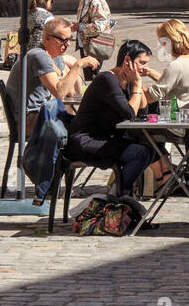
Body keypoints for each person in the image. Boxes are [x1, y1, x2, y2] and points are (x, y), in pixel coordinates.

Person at [67, 39, 170, 194]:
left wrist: (138, 85)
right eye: (142, 63)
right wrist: (137, 85)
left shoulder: (127, 82)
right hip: (86, 140)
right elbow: (129, 114)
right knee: (140, 152)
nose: (145, 68)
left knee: (150, 149)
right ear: (127, 60)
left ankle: (120, 192)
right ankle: (119, 194)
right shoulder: (107, 79)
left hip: (107, 139)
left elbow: (141, 114)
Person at [6, 17, 96, 134]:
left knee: (87, 122)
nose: (68, 44)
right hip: (27, 120)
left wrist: (70, 69)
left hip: (43, 114)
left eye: (70, 39)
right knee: (85, 127)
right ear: (47, 38)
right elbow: (60, 92)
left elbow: (70, 93)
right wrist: (78, 65)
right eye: (63, 40)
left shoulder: (55, 56)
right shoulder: (39, 56)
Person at [153, 19, 189, 112]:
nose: (162, 46)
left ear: (172, 41)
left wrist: (137, 87)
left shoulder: (176, 65)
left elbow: (154, 94)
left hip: (175, 118)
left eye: (163, 42)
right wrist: (150, 72)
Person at [71, 0, 112, 77]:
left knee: (92, 77)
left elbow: (99, 26)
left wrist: (79, 27)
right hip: (87, 45)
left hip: (95, 46)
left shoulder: (95, 2)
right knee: (90, 75)